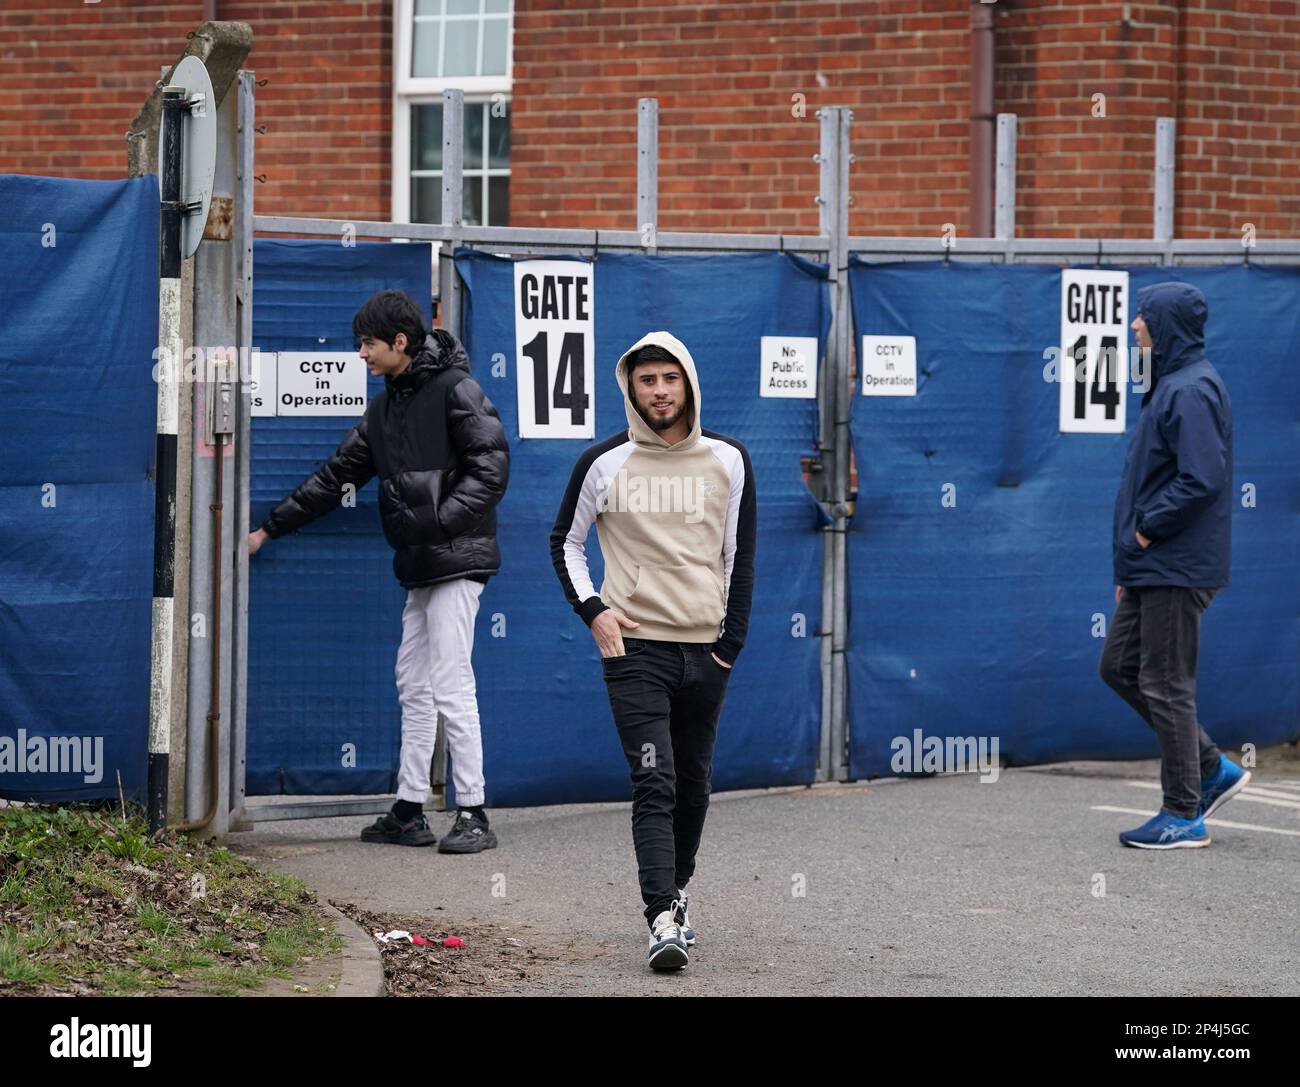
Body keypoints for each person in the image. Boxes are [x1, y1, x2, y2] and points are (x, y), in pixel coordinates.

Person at [248, 289, 509, 853]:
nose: (360, 354)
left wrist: (438, 523)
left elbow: (491, 467)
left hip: (456, 561)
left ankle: (474, 814)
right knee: (413, 683)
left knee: (449, 681)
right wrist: (269, 528)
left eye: (367, 343)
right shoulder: (385, 406)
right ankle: (409, 810)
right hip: (419, 565)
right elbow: (336, 474)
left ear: (399, 342)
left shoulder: (455, 389)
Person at [550, 332, 756, 970]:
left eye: (670, 377)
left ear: (688, 383)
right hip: (636, 654)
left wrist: (728, 647)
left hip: (706, 656)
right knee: (654, 781)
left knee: (694, 786)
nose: (659, 390)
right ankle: (660, 919)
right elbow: (566, 542)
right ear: (630, 388)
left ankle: (678, 891)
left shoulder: (730, 459)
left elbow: (738, 557)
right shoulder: (603, 463)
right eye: (647, 380)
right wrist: (595, 612)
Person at [1100, 281, 1248, 849]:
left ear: (1164, 325)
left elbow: (1200, 479)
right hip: (1151, 564)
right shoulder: (1172, 385)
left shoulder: (1192, 389)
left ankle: (1184, 812)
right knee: (1119, 666)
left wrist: (1146, 529)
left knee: (1165, 682)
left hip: (1176, 563)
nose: (1135, 326)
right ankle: (1210, 767)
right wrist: (1128, 563)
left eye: (1143, 316)